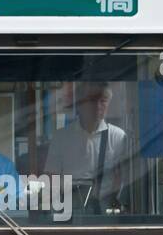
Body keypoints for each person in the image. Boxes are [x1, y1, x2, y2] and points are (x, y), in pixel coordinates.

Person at [44, 80, 128, 212]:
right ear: (79, 104)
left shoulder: (118, 137)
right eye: (92, 100)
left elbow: (122, 178)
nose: (98, 106)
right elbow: (50, 178)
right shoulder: (61, 138)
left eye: (103, 101)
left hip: (104, 212)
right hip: (67, 210)